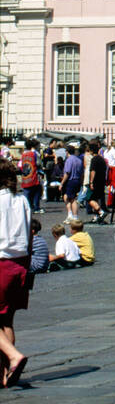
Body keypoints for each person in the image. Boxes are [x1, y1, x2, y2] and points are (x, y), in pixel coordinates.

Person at [0, 160, 31, 388]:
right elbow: (29, 232)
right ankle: (5, 374)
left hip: (1, 260)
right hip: (20, 263)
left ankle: (13, 356)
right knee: (6, 320)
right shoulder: (22, 199)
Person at [86, 141, 109, 224]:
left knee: (89, 198)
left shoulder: (94, 159)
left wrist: (91, 182)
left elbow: (93, 171)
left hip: (95, 182)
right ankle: (96, 217)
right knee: (96, 199)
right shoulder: (102, 159)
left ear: (91, 151)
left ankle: (101, 212)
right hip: (101, 181)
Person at [59, 144, 84, 219]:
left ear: (67, 152)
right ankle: (71, 214)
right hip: (77, 180)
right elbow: (82, 173)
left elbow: (67, 172)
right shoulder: (79, 160)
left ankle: (72, 215)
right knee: (68, 197)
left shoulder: (69, 160)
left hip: (70, 180)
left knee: (71, 199)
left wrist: (62, 183)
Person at [19, 140, 42, 212]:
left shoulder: (23, 154)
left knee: (27, 192)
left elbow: (20, 165)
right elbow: (39, 164)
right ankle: (36, 207)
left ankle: (26, 207)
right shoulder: (35, 154)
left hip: (26, 176)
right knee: (37, 191)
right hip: (34, 176)